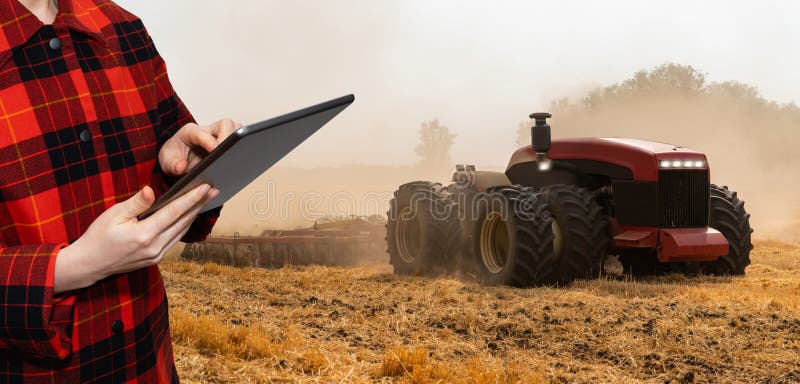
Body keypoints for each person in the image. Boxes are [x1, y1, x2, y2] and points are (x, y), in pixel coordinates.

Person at [0, 0, 238, 381]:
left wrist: (184, 168)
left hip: (149, 366)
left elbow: (165, 197)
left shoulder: (123, 29)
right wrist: (75, 266)